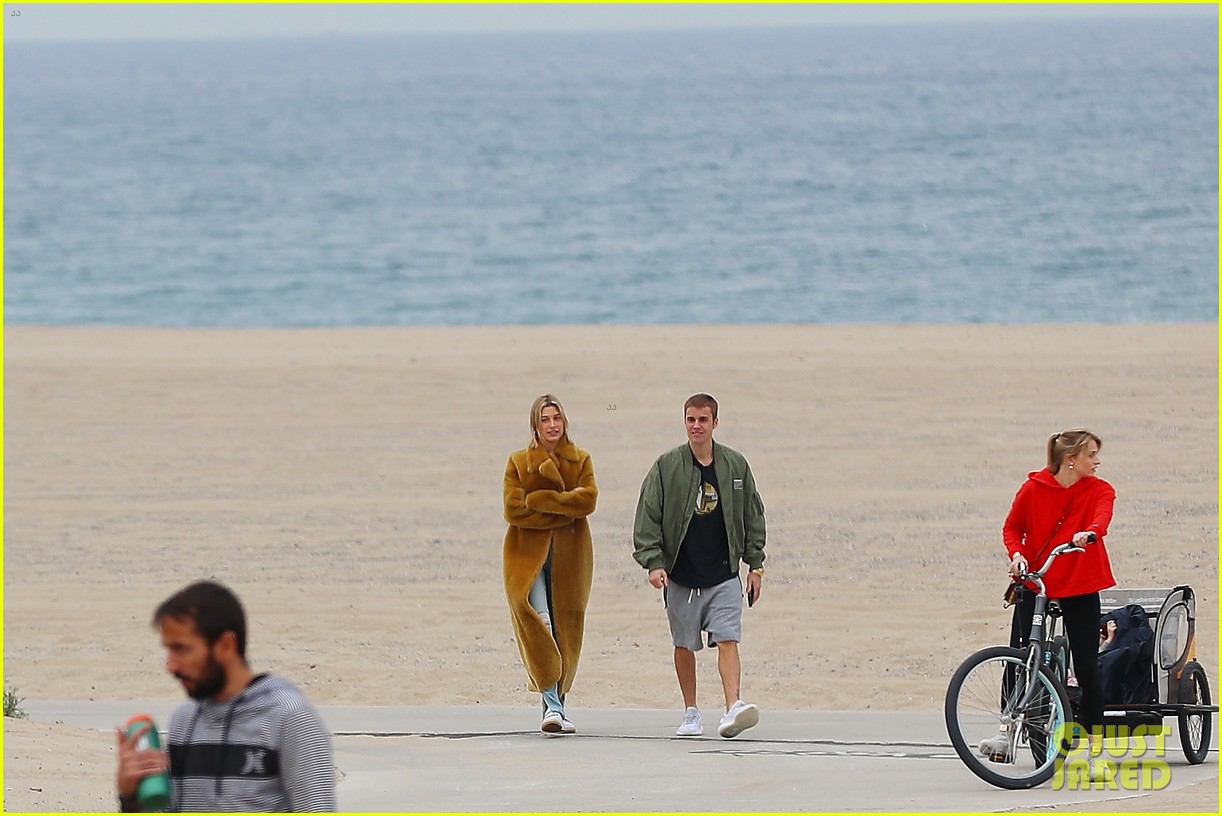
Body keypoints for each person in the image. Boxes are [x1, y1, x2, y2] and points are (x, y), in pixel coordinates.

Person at [115, 580, 337, 812]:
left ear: (225, 645)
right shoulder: (183, 721)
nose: (171, 666)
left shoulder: (290, 718)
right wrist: (130, 797)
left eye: (181, 649)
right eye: (168, 650)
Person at [632, 393, 767, 739]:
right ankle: (691, 711)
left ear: (715, 423)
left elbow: (753, 515)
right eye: (690, 419)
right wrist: (653, 563)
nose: (696, 426)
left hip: (724, 574)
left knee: (727, 639)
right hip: (681, 576)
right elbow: (648, 515)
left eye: (703, 419)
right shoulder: (666, 466)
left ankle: (732, 706)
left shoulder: (735, 465)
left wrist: (755, 565)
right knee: (684, 644)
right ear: (685, 422)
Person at [987, 428, 1116, 764]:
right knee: (1020, 657)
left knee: (1087, 664)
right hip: (1037, 579)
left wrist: (1090, 533)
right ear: (1070, 460)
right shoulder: (1033, 489)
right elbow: (1012, 528)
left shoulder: (1101, 490)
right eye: (1091, 455)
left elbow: (1102, 517)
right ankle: (1005, 734)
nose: (1097, 461)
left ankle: (1096, 750)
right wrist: (1016, 554)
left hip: (1080, 580)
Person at [502, 394, 598, 734]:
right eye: (545, 419)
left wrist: (540, 501)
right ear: (535, 425)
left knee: (565, 631)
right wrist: (561, 509)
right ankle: (553, 708)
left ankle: (555, 709)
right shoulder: (518, 462)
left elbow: (587, 500)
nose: (552, 425)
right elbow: (514, 510)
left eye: (556, 418)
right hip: (526, 559)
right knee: (538, 623)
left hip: (571, 559)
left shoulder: (580, 459)